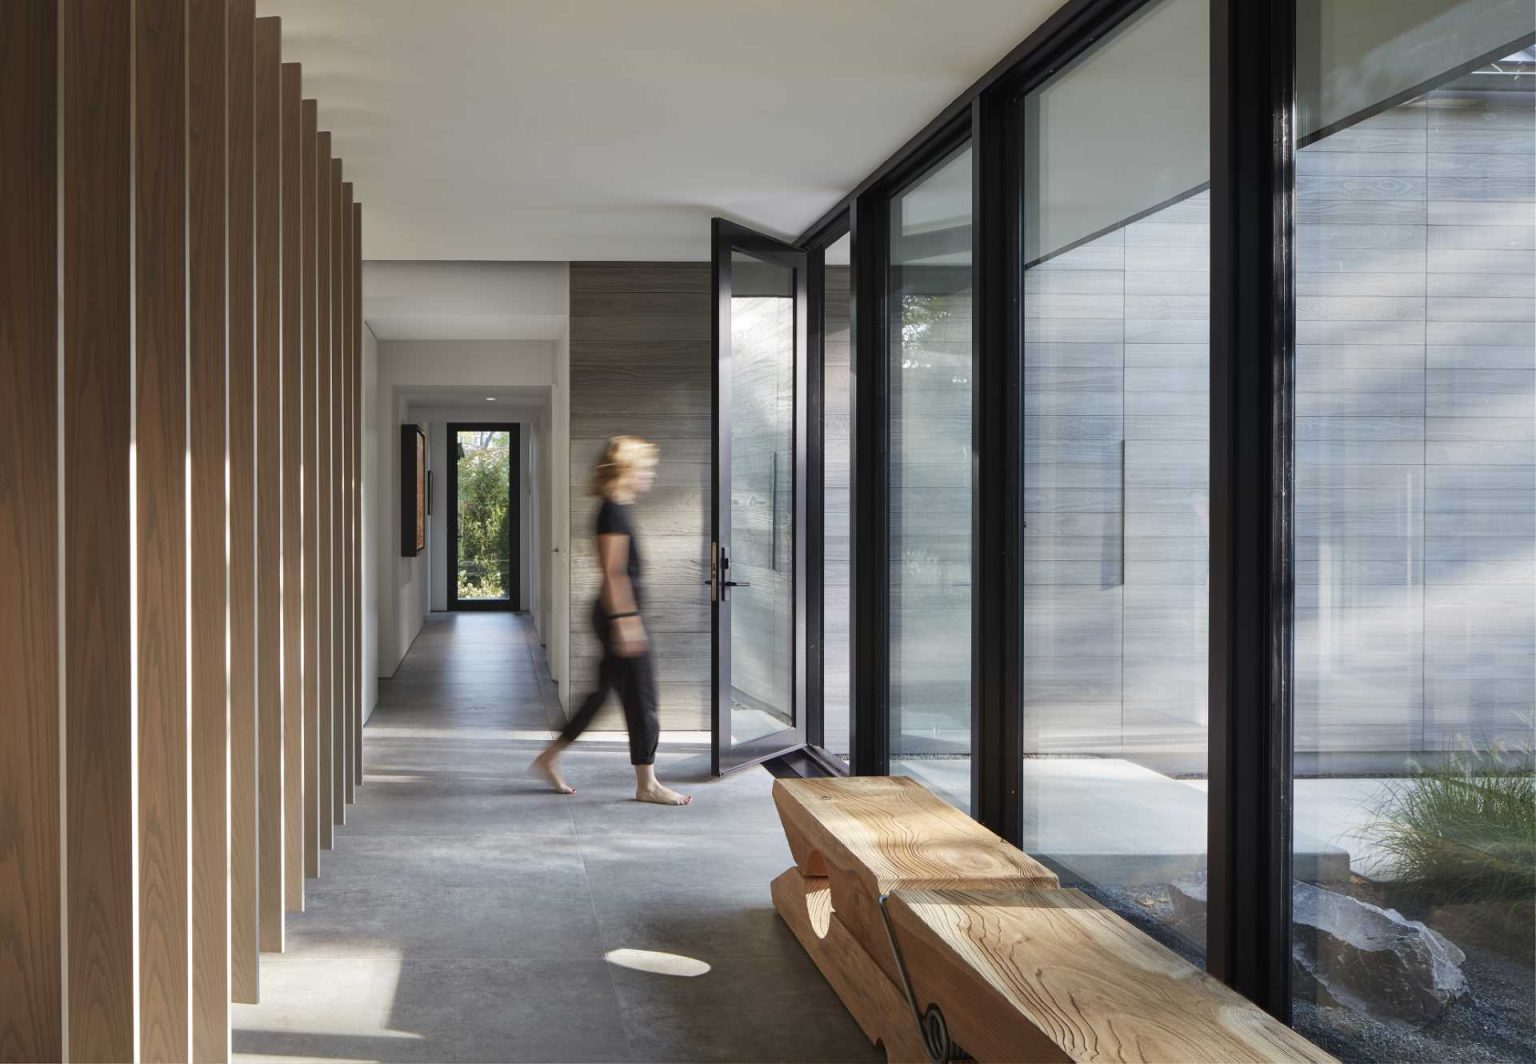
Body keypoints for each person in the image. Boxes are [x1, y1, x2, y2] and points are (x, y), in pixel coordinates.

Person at [532, 436, 692, 806]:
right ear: (627, 470)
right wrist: (626, 622)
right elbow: (613, 572)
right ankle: (647, 784)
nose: (649, 474)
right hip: (621, 615)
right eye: (645, 468)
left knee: (602, 695)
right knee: (642, 699)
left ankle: (549, 757)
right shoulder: (612, 511)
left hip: (620, 614)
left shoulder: (616, 507)